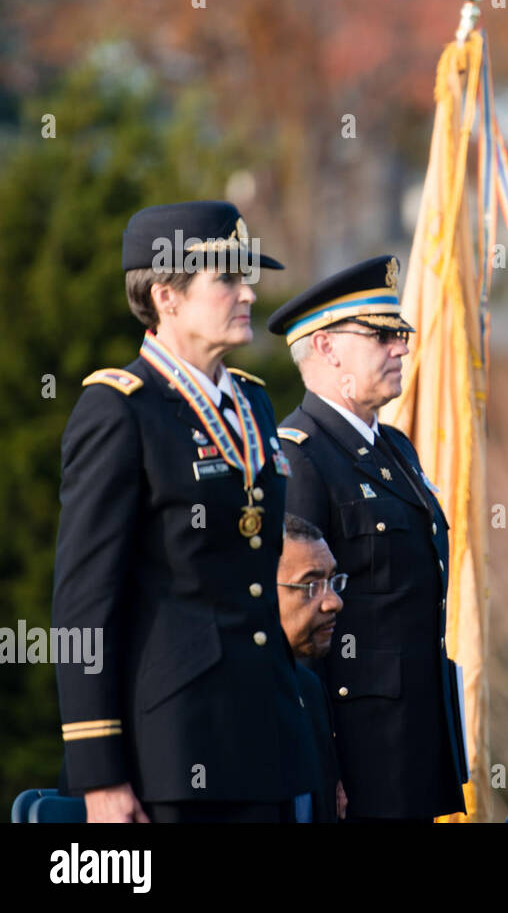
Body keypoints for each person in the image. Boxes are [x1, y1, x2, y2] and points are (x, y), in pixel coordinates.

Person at [52, 200, 313, 822]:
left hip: (264, 744)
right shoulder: (120, 410)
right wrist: (99, 776)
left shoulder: (251, 403)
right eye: (227, 278)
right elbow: (83, 603)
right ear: (166, 295)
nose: (249, 292)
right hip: (170, 752)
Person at [268, 255, 468, 822]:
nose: (402, 347)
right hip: (356, 760)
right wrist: (323, 767)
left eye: (401, 333)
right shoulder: (299, 455)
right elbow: (298, 633)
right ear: (327, 348)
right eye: (383, 335)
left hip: (415, 744)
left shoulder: (397, 449)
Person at [277, 513, 348, 822]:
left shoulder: (309, 690)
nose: (333, 602)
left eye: (333, 582)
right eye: (310, 585)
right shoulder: (213, 700)